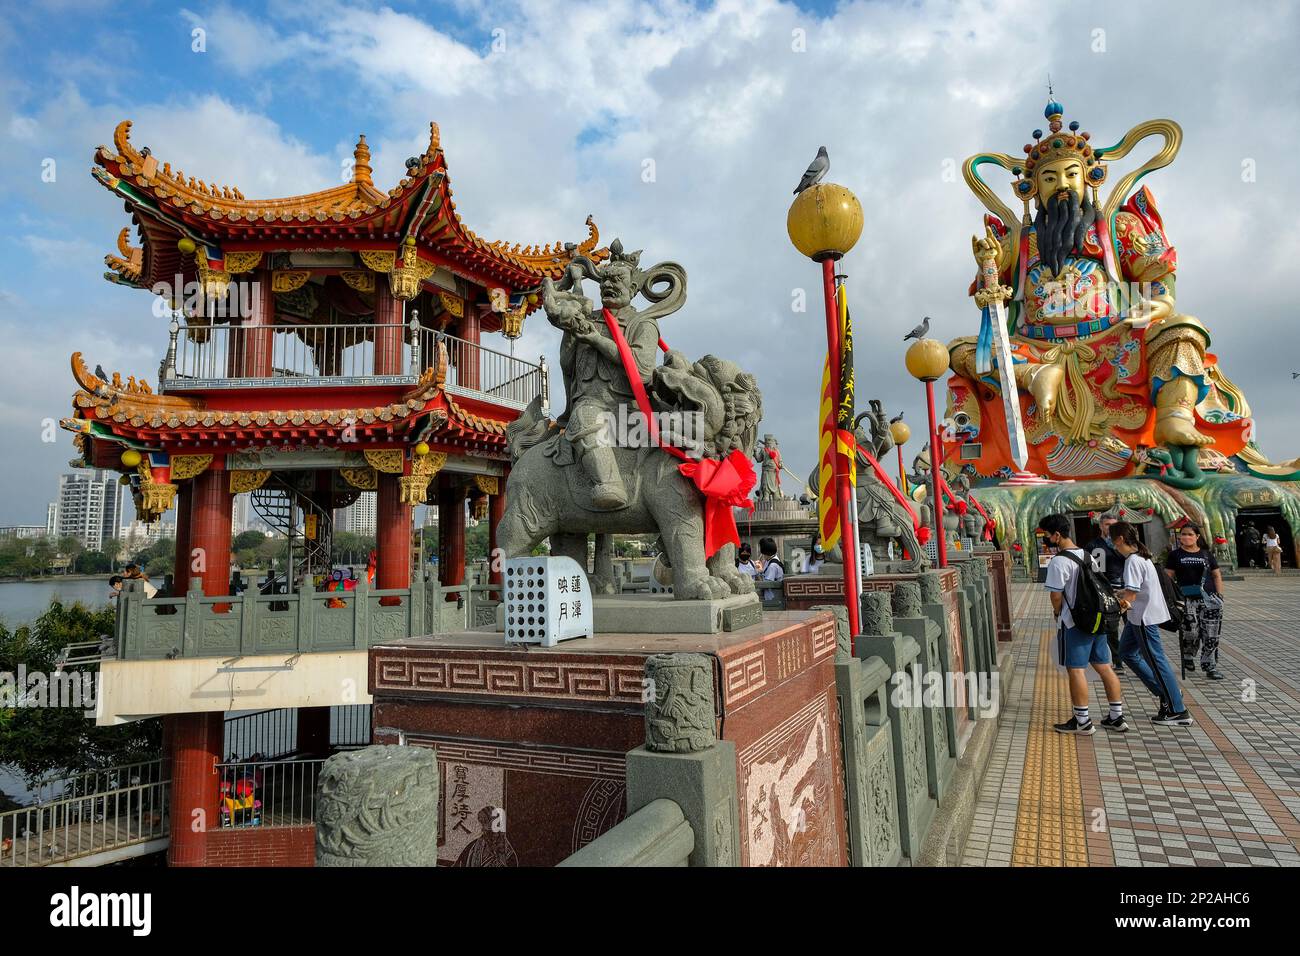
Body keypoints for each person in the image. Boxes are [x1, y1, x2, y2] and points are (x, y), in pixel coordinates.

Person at [1038, 514, 1125, 734]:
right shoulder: (1086, 554)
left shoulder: (1059, 561)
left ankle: (1082, 720)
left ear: (1057, 535)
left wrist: (1057, 614)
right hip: (1098, 619)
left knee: (1076, 670)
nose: (1045, 539)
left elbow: (1056, 596)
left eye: (1047, 535)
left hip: (1075, 623)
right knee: (1104, 667)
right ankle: (1116, 716)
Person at [1111, 521, 1193, 725]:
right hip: (1138, 617)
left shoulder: (1132, 560)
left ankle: (1177, 709)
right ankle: (1168, 692)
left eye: (1113, 541)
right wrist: (1119, 594)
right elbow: (1136, 589)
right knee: (1127, 653)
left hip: (1143, 618)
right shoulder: (1143, 557)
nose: (1113, 546)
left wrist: (1113, 613)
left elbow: (1131, 595)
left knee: (1157, 660)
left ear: (1120, 539)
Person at [1165, 523, 1225, 679]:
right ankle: (1188, 655)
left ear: (1197, 537)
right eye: (1183, 534)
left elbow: (1217, 575)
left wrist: (1219, 596)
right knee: (1190, 631)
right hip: (1186, 599)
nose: (1186, 537)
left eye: (1190, 534)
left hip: (1210, 599)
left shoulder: (1206, 554)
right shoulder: (1175, 555)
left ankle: (1210, 666)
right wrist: (1170, 597)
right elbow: (1168, 577)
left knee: (1211, 634)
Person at [1085, 514, 1127, 673]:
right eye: (1108, 524)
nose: (1111, 528)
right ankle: (1118, 661)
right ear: (1101, 526)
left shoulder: (1124, 543)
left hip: (1127, 590)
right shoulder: (1094, 546)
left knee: (1133, 626)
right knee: (1111, 628)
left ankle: (1134, 656)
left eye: (1114, 525)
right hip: (1108, 593)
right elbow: (1092, 572)